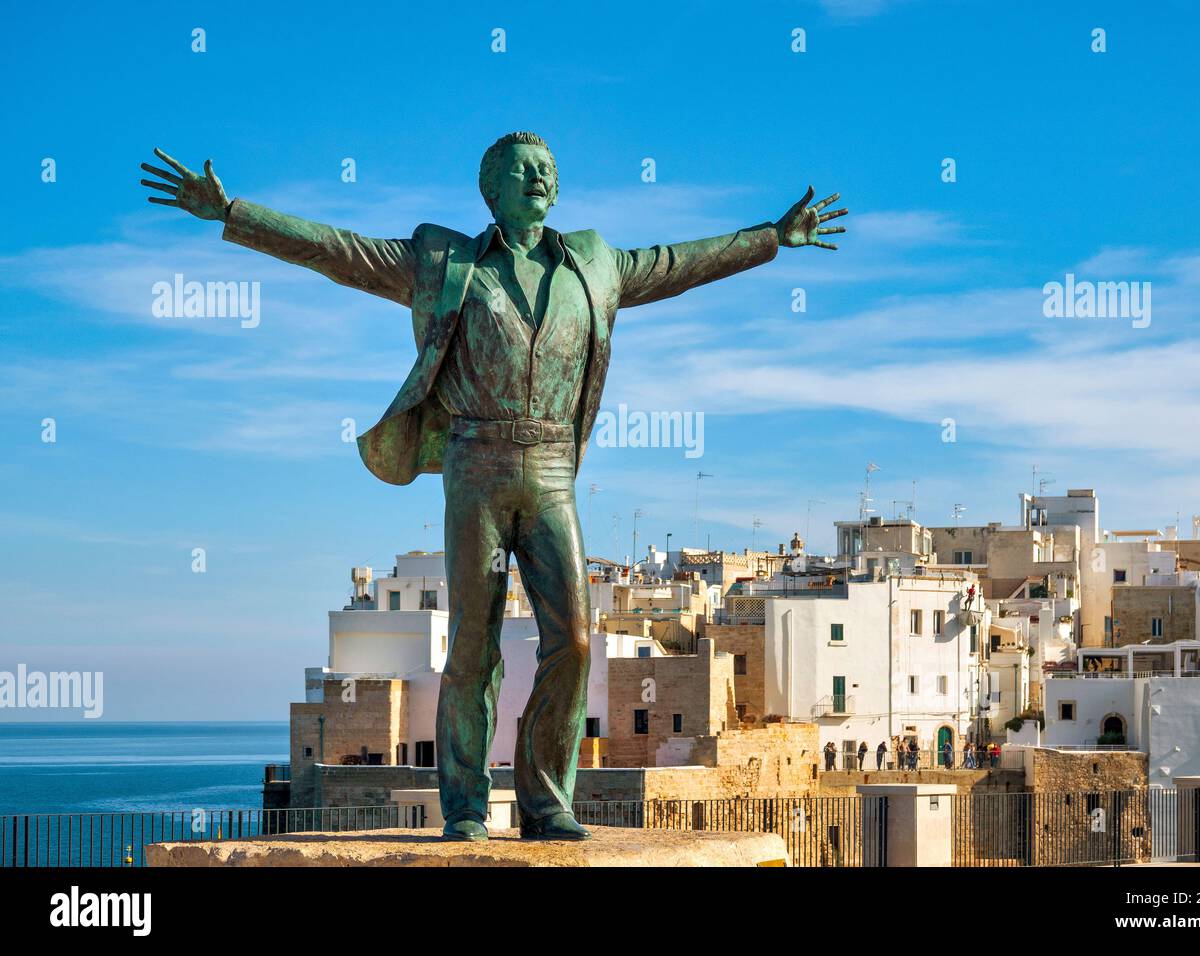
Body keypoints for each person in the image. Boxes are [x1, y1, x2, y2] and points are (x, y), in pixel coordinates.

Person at [140, 137, 846, 844]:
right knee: (472, 647)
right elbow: (339, 252)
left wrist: (771, 239)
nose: (539, 177)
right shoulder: (445, 262)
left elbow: (678, 264)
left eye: (548, 170)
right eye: (521, 170)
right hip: (474, 465)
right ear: (491, 191)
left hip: (551, 470)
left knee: (571, 637)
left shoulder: (595, 266)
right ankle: (468, 806)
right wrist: (234, 213)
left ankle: (546, 802)